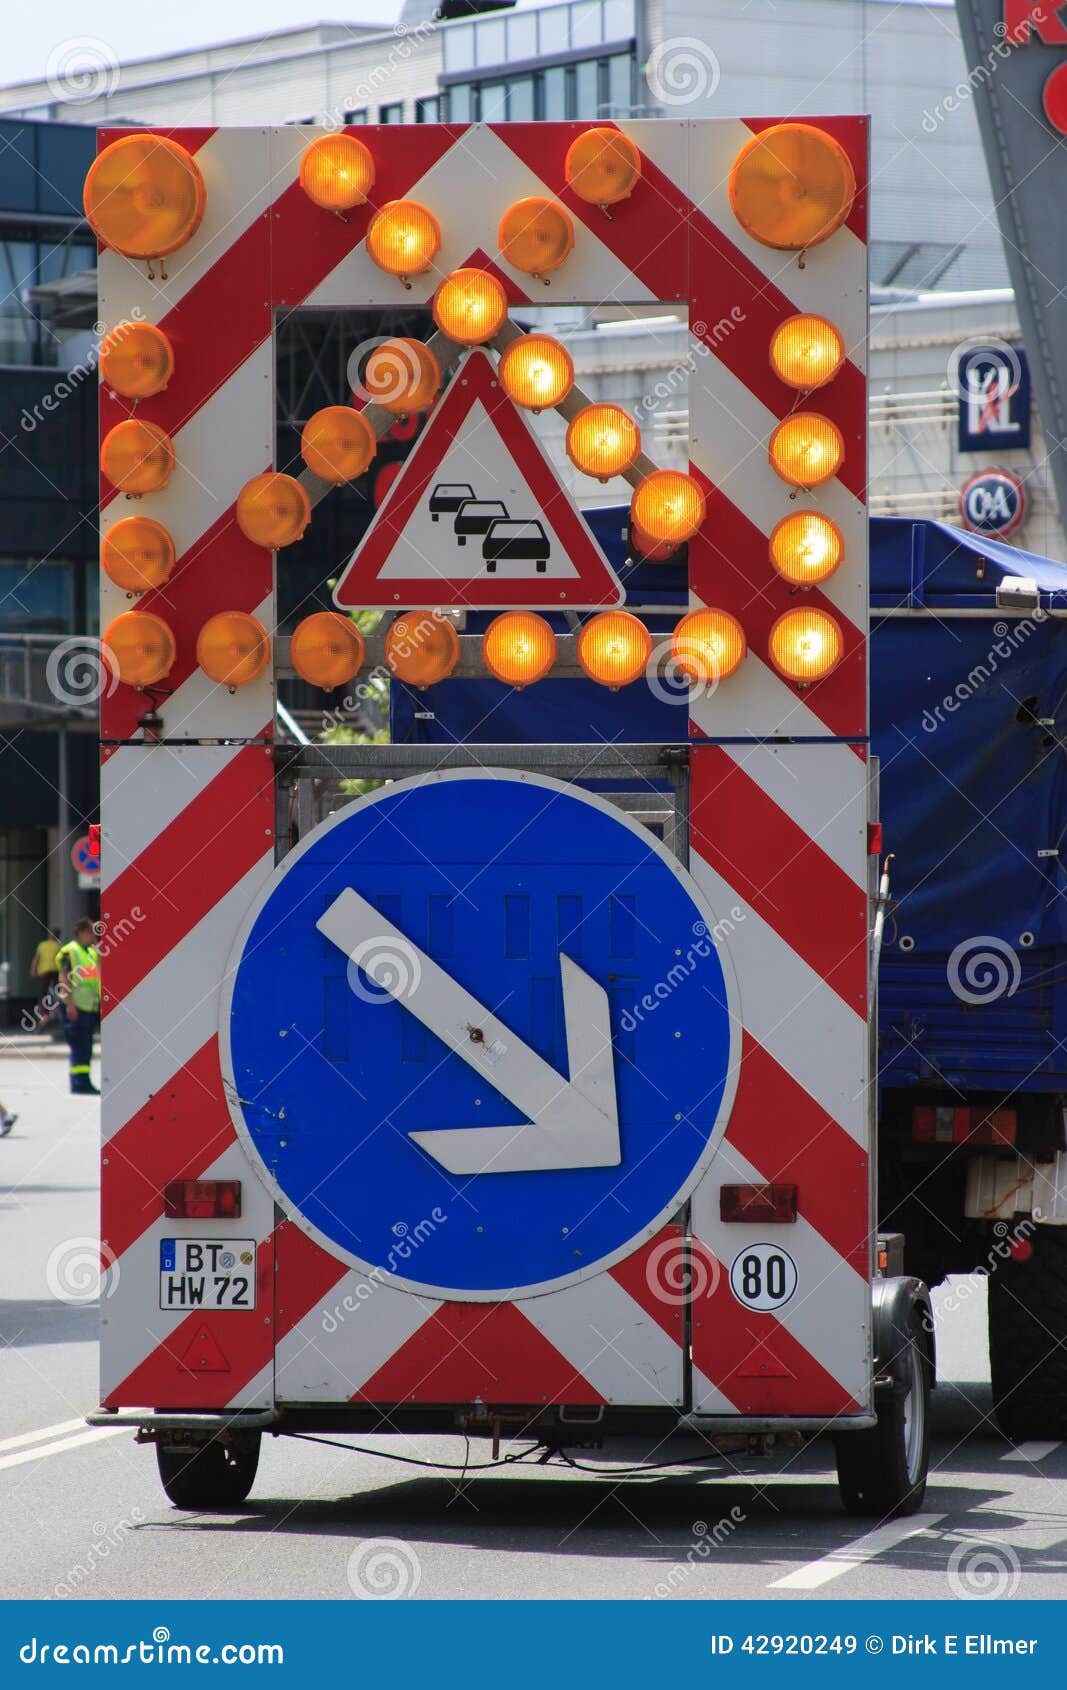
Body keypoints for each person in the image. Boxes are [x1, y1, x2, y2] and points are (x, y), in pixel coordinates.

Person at [56, 919, 101, 1096]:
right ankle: (79, 1084)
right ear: (82, 932)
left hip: (87, 1008)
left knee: (86, 1046)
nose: (94, 936)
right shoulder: (70, 951)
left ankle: (83, 1082)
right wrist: (70, 1005)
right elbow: (64, 979)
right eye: (91, 932)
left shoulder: (90, 952)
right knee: (79, 1046)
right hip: (74, 1008)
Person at [30, 927, 62, 1027]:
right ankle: (57, 1012)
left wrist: (33, 970)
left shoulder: (43, 945)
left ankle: (45, 1015)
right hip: (56, 972)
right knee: (57, 992)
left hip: (45, 972)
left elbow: (36, 958)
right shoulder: (59, 945)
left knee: (43, 993)